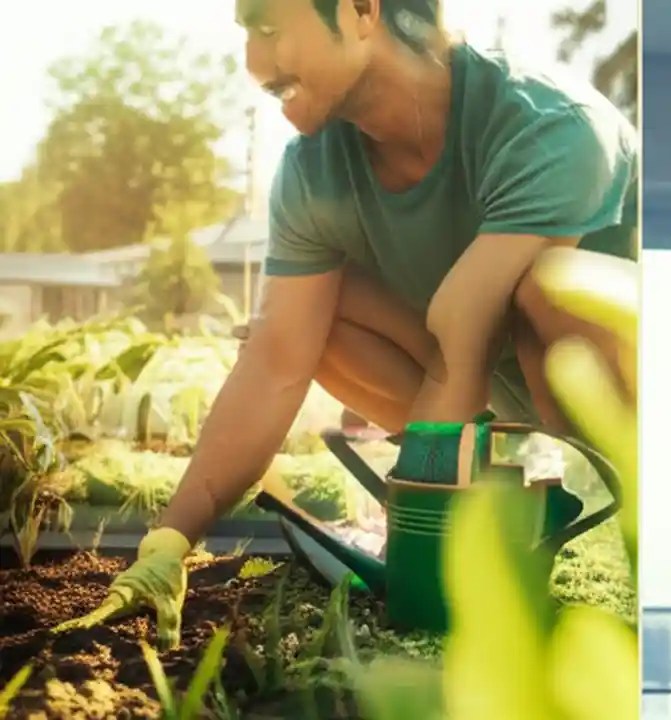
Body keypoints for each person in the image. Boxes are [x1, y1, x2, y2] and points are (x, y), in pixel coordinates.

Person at [53, 0, 637, 651]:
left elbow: (460, 345)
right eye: (245, 33)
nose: (253, 64)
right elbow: (276, 361)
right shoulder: (314, 170)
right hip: (490, 400)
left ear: (362, 11)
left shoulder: (547, 126)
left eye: (268, 27)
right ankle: (485, 492)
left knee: (547, 291)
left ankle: (587, 515)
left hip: (616, 396)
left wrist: (424, 565)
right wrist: (169, 541)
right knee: (296, 321)